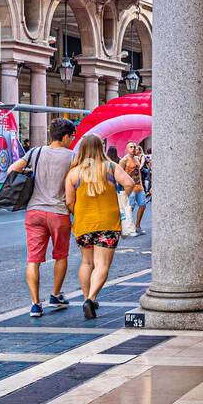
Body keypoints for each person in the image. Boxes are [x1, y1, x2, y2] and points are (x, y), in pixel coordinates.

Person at [7, 117, 76, 317]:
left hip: (34, 211)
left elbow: (12, 170)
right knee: (60, 255)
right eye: (71, 137)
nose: (71, 140)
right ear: (64, 137)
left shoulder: (35, 152)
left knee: (33, 260)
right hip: (59, 212)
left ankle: (36, 304)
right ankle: (55, 295)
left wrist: (29, 171)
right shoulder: (72, 156)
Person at [65, 133, 136, 319]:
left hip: (83, 223)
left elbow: (69, 202)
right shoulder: (111, 167)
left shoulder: (74, 172)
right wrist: (121, 198)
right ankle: (91, 298)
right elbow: (129, 183)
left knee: (87, 262)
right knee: (102, 264)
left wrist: (78, 212)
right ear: (100, 148)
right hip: (108, 222)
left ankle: (86, 297)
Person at [120, 141, 148, 235]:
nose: (133, 149)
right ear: (127, 149)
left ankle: (137, 226)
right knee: (130, 208)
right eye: (131, 147)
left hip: (139, 186)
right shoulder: (124, 160)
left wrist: (141, 184)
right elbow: (119, 174)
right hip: (129, 187)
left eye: (134, 147)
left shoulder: (137, 158)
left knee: (143, 205)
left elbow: (138, 172)